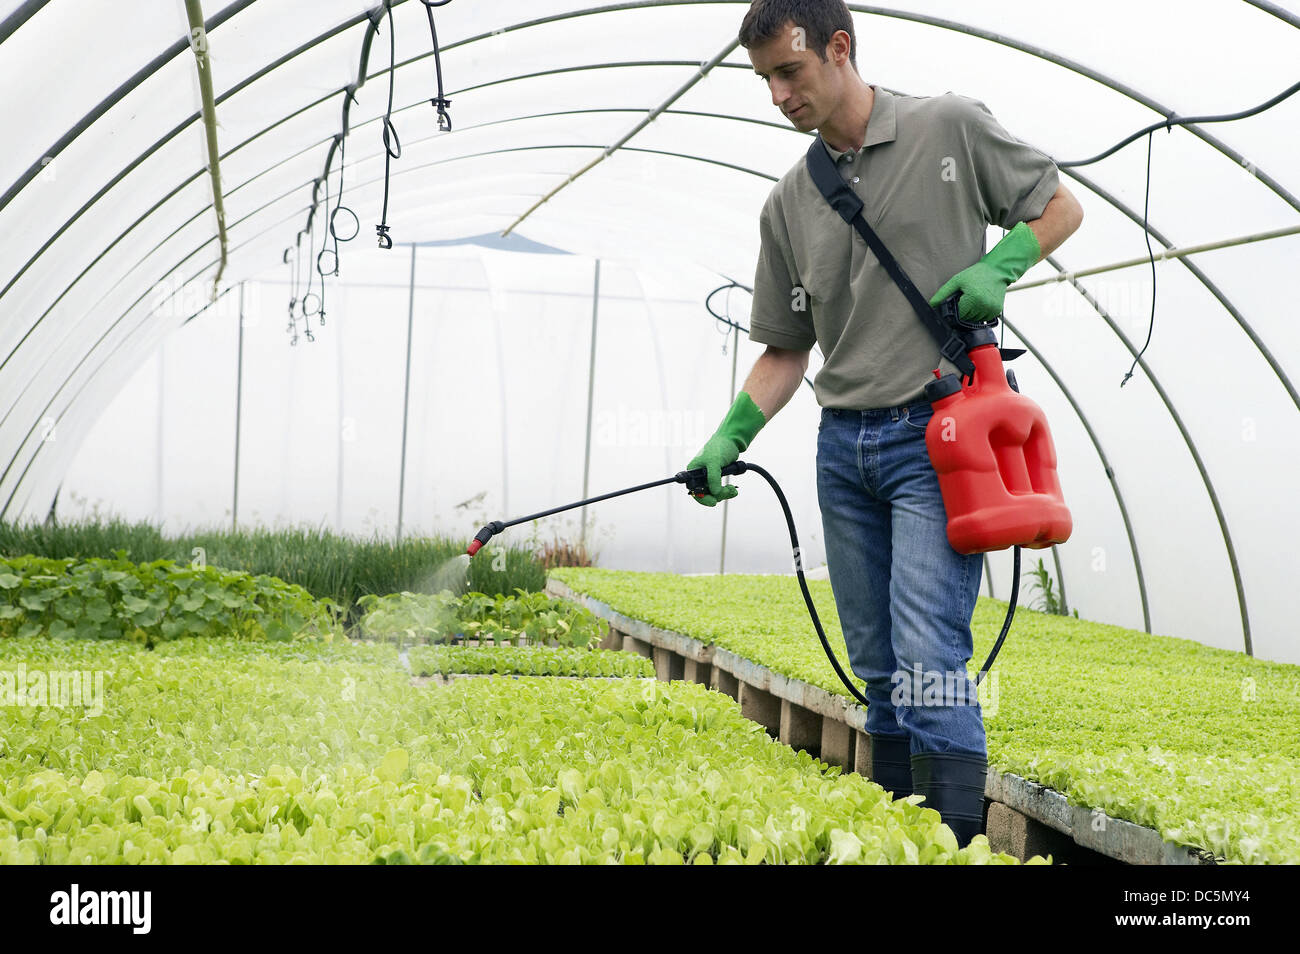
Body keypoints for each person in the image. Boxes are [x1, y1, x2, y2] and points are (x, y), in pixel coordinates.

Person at [687, 0, 1083, 848]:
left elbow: (1058, 207)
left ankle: (955, 839)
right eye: (764, 80)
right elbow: (787, 350)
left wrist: (1001, 264)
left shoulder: (947, 127)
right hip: (844, 447)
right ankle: (904, 828)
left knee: (929, 652)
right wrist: (732, 434)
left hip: (937, 439)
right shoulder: (790, 202)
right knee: (876, 665)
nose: (778, 95)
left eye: (789, 72)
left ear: (840, 47)